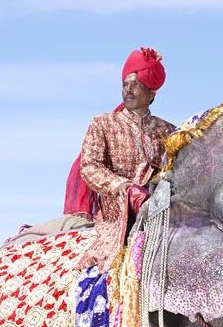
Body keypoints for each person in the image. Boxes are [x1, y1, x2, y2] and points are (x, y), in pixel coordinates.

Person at [63, 47, 174, 266]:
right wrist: (121, 185)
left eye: (135, 85)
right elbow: (90, 166)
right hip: (115, 217)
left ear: (151, 93)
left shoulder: (168, 132)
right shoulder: (103, 124)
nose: (128, 90)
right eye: (125, 85)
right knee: (102, 268)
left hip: (158, 212)